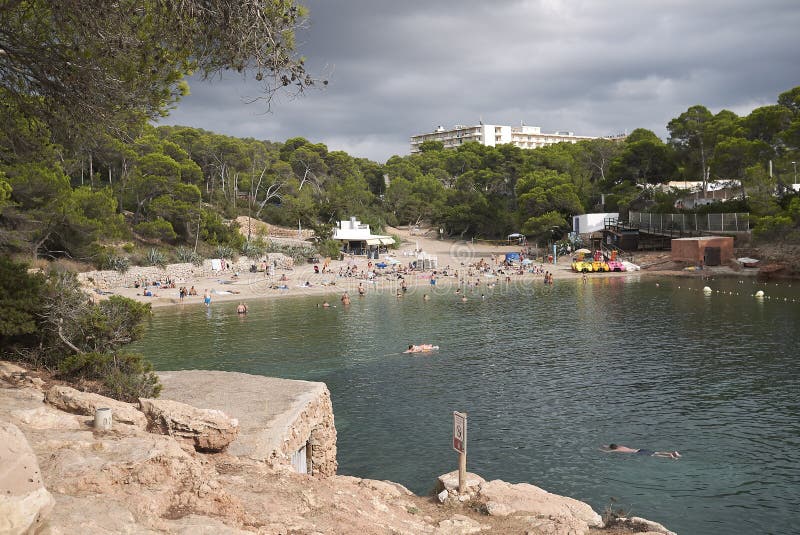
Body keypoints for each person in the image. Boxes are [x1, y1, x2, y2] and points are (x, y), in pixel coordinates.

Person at [603, 444, 681, 459]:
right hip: (640, 449)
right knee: (656, 452)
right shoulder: (620, 446)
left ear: (613, 448)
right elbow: (612, 446)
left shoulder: (617, 450)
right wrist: (607, 446)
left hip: (638, 453)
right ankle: (672, 453)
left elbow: (607, 452)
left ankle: (669, 457)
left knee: (654, 455)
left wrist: (601, 449)